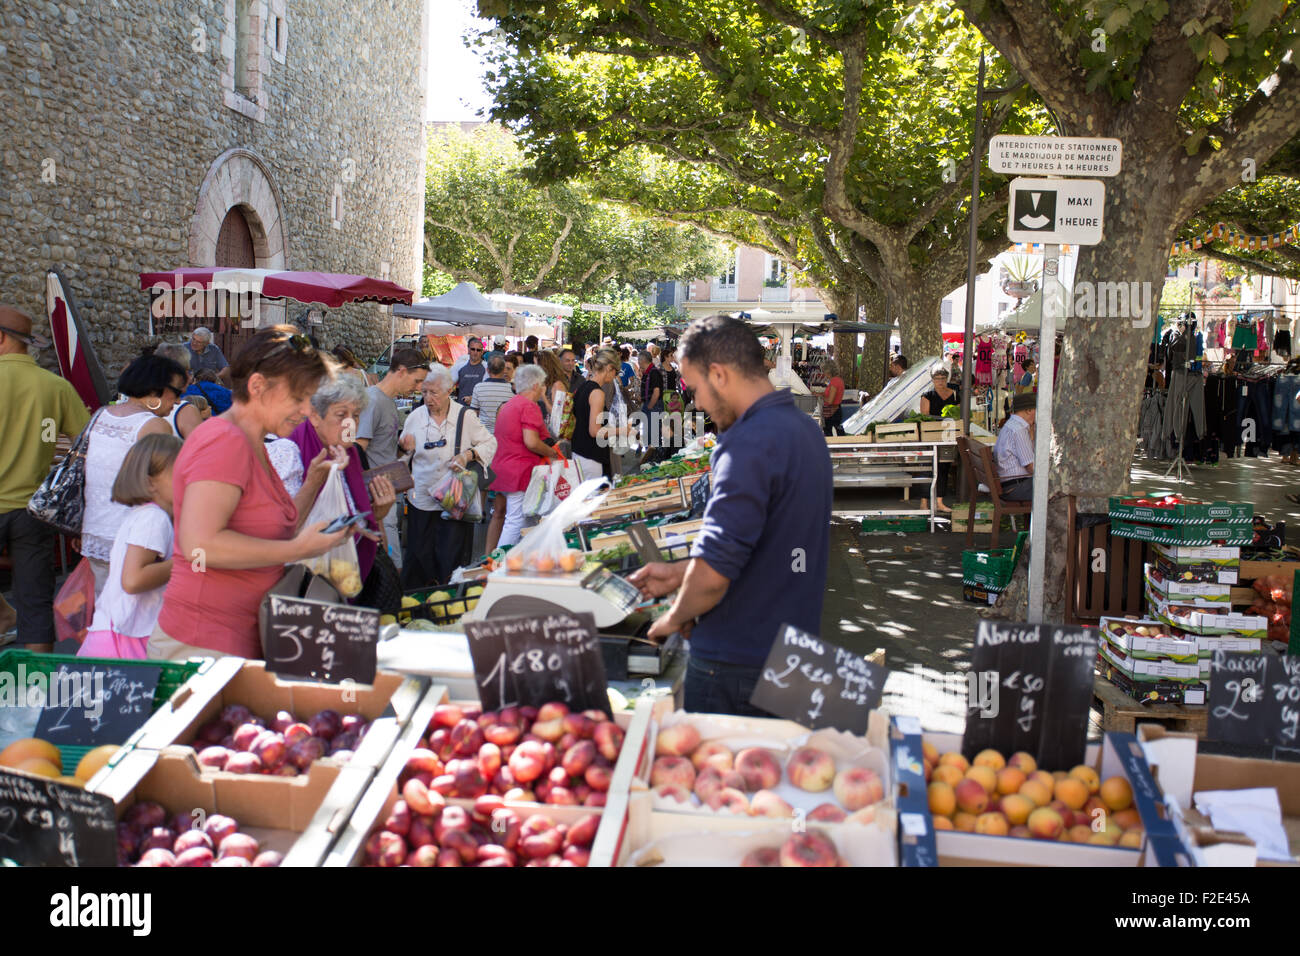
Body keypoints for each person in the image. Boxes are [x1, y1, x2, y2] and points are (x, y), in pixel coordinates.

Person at [628, 315, 833, 716]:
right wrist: (681, 573)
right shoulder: (804, 430)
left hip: (736, 663)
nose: (698, 403)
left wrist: (672, 618)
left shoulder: (745, 444)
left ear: (719, 374)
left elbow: (715, 574)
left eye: (696, 389)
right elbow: (768, 547)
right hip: (793, 652)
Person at [150, 326, 351, 661]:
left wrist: (314, 480)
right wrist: (296, 549)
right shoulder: (225, 441)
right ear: (258, 386)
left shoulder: (254, 442)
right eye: (297, 398)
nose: (305, 411)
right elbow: (200, 545)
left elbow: (278, 527)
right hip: (202, 644)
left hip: (235, 640)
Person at [0, 306, 90, 650]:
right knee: (35, 604)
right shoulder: (56, 387)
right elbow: (87, 444)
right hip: (33, 511)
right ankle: (33, 694)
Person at [267, 371, 398, 604]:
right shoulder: (288, 453)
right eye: (341, 415)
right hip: (298, 591)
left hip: (336, 587)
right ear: (315, 416)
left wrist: (378, 513)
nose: (350, 423)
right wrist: (313, 482)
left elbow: (351, 524)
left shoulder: (349, 455)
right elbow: (280, 532)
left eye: (356, 415)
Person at [83, 354, 188, 595]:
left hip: (95, 528)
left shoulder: (100, 415)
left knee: (107, 604)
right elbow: (165, 483)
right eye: (176, 392)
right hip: (135, 532)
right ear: (156, 389)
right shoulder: (153, 425)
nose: (178, 401)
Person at [80, 434, 182, 660]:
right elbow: (133, 580)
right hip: (123, 640)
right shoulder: (153, 518)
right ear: (150, 481)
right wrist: (187, 563)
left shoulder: (149, 515)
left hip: (122, 634)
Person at [398, 366, 497, 587]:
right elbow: (403, 458)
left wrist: (467, 455)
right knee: (418, 558)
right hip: (421, 499)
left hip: (453, 502)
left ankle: (447, 599)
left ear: (449, 389)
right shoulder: (414, 417)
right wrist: (404, 450)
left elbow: (491, 442)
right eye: (424, 392)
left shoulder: (465, 416)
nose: (428, 398)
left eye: (434, 392)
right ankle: (417, 605)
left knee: (450, 560)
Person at [356, 346, 429, 569]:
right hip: (376, 498)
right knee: (390, 566)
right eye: (416, 381)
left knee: (390, 564)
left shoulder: (387, 402)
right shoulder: (373, 401)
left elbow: (380, 450)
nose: (418, 388)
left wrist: (402, 449)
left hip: (385, 497)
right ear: (401, 371)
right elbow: (358, 450)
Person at [490, 364, 563, 548]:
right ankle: (499, 564)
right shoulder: (528, 406)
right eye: (543, 385)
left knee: (524, 521)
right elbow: (531, 441)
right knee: (515, 521)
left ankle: (516, 563)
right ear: (536, 385)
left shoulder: (510, 405)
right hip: (519, 472)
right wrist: (551, 452)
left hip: (504, 469)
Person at [570, 350, 631, 479]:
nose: (615, 376)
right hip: (590, 457)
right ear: (609, 368)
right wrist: (622, 430)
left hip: (578, 452)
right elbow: (594, 431)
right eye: (616, 371)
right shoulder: (597, 393)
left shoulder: (583, 387)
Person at [919, 365, 960, 514]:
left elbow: (959, 413)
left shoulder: (955, 395)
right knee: (928, 468)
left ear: (947, 379)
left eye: (943, 378)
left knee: (944, 468)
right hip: (931, 435)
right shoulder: (927, 395)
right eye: (937, 379)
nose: (940, 381)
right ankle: (924, 502)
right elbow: (924, 415)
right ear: (933, 380)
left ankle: (939, 502)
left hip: (948, 436)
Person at [153, 342, 204, 439]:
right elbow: (200, 452)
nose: (189, 378)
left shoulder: (134, 405)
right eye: (188, 371)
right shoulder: (185, 411)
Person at [993, 391, 1037, 502]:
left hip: (1010, 484)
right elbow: (1031, 467)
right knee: (1060, 490)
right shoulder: (1019, 430)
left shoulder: (1011, 425)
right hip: (1016, 487)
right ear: (1029, 410)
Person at [471, 355, 515, 435]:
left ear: (487, 370)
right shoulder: (513, 389)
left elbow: (474, 414)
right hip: (505, 434)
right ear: (504, 369)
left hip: (484, 434)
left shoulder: (478, 387)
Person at [537, 350, 575, 440]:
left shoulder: (557, 385)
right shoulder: (544, 383)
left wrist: (544, 398)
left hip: (553, 438)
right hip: (543, 433)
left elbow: (558, 414)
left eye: (536, 365)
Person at [455, 337, 488, 406]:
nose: (475, 352)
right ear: (469, 350)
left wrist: (473, 399)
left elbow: (487, 391)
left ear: (482, 352)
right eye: (473, 349)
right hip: (461, 408)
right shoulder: (459, 366)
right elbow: (448, 384)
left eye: (478, 350)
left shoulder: (487, 367)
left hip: (479, 410)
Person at [822, 371, 846, 436]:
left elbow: (830, 401)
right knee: (839, 432)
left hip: (832, 412)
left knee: (829, 433)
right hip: (837, 409)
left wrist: (821, 396)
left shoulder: (834, 382)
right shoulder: (839, 380)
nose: (824, 374)